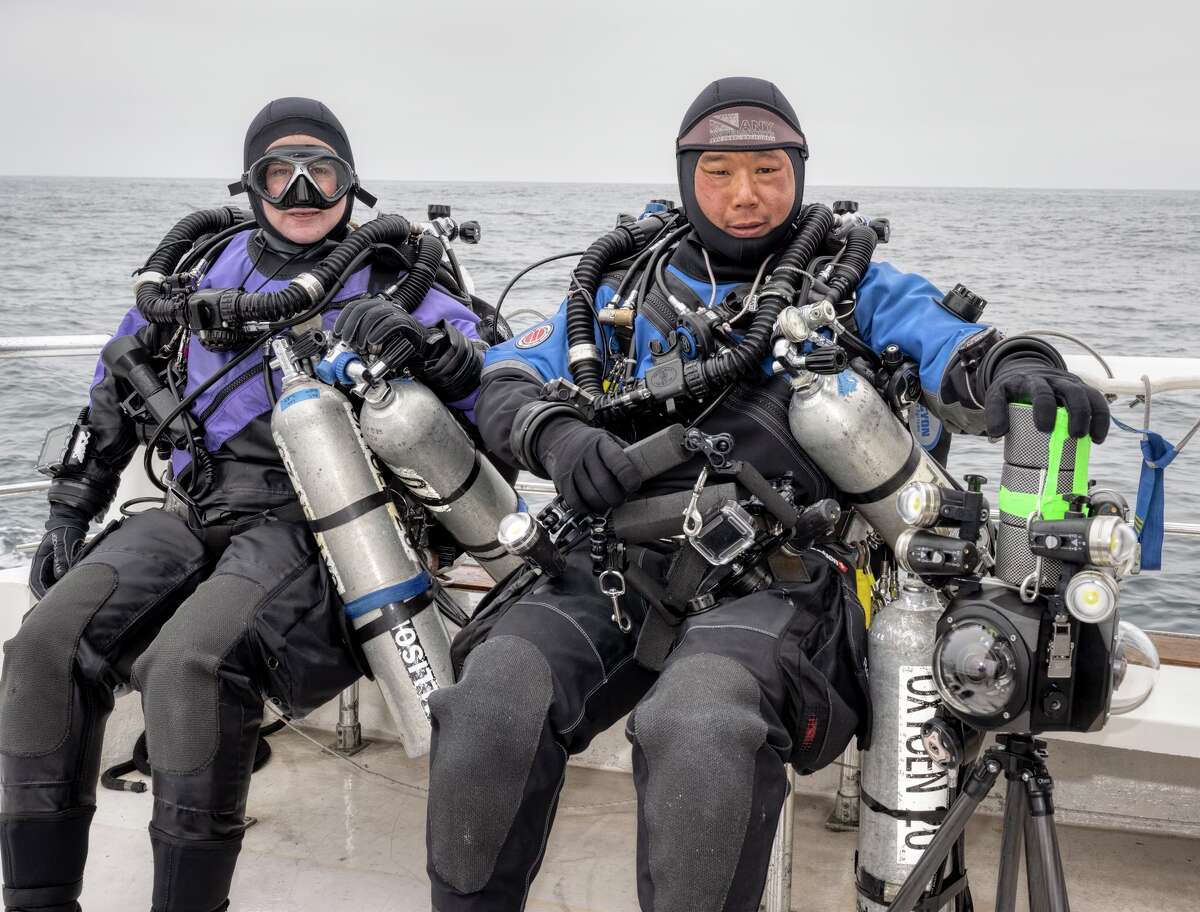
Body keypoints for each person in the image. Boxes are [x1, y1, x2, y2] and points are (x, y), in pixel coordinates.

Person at [422, 76, 1110, 911]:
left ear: (799, 172)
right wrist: (557, 437)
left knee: (701, 730)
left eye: (768, 170)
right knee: (491, 705)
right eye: (719, 171)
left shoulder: (853, 287)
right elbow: (508, 377)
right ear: (685, 176)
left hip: (779, 580)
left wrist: (1020, 367)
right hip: (612, 563)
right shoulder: (622, 287)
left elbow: (953, 348)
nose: (745, 195)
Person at [0, 97, 485, 912]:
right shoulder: (199, 274)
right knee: (43, 646)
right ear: (250, 182)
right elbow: (115, 396)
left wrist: (432, 352)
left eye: (321, 171)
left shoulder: (400, 278)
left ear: (352, 183)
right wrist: (67, 514)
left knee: (191, 666)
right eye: (280, 172)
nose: (302, 191)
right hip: (192, 510)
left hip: (321, 523)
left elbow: (489, 383)